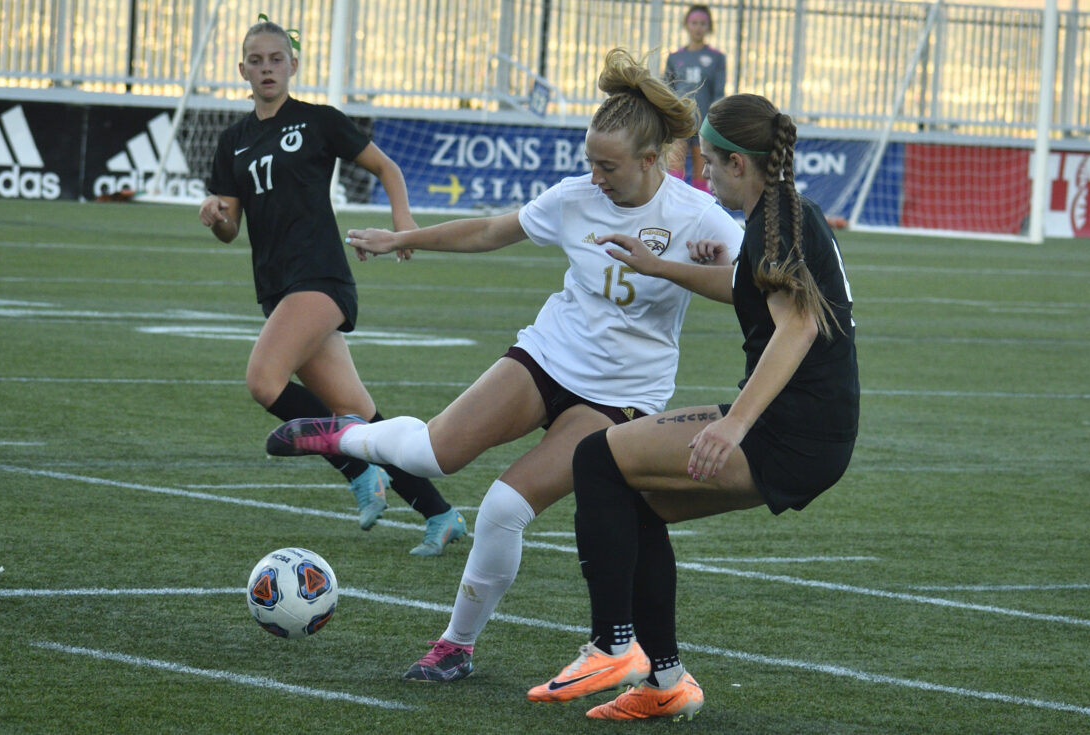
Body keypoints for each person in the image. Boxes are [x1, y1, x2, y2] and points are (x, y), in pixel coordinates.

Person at [266, 48, 744, 683]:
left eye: (609, 167)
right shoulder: (576, 196)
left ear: (652, 161)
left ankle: (455, 646)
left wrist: (717, 267)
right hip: (547, 355)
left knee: (501, 509)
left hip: (620, 398)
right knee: (434, 453)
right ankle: (341, 433)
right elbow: (493, 230)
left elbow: (756, 285)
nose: (595, 178)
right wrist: (403, 238)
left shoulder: (700, 218)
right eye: (590, 164)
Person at [527, 93, 859, 721]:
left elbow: (797, 330)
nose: (701, 174)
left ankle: (612, 644)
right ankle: (666, 681)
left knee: (596, 458)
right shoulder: (784, 212)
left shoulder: (773, 223)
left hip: (791, 429)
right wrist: (662, 267)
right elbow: (748, 287)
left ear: (739, 163)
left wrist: (735, 424)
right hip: (813, 431)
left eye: (708, 162)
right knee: (631, 501)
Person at [198, 18, 465, 556]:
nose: (267, 68)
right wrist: (216, 217)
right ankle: (441, 514)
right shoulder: (234, 141)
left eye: (277, 58)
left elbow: (386, 167)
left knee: (263, 380)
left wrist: (403, 225)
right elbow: (231, 229)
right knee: (361, 415)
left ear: (293, 66)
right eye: (257, 60)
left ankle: (355, 470)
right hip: (276, 287)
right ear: (242, 69)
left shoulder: (318, 121)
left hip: (320, 278)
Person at [664, 4, 726, 193]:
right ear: (686, 25)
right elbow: (666, 90)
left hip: (704, 125)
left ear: (709, 27)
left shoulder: (716, 58)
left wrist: (714, 122)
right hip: (680, 122)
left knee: (703, 175)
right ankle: (672, 212)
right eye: (694, 23)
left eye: (702, 23)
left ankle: (699, 215)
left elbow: (718, 93)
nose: (698, 27)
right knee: (674, 172)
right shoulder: (675, 58)